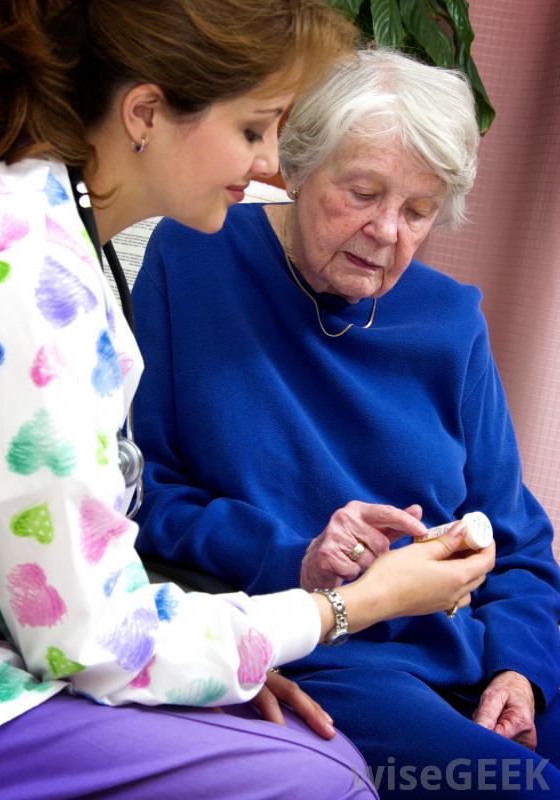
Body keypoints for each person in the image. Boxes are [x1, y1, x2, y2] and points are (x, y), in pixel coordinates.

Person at [0, 5, 497, 800]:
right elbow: (98, 626)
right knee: (341, 777)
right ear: (146, 114)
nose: (267, 166)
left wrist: (521, 669)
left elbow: (85, 574)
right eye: (256, 130)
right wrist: (346, 603)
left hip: (410, 644)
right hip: (283, 646)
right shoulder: (38, 276)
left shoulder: (53, 239)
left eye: (418, 210)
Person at [132, 48, 560, 799]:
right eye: (362, 192)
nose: (386, 231)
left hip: (471, 648)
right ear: (295, 167)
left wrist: (520, 671)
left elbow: (517, 539)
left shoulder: (450, 320)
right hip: (325, 649)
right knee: (516, 789)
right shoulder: (192, 258)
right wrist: (297, 555)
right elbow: (146, 492)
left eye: (418, 211)